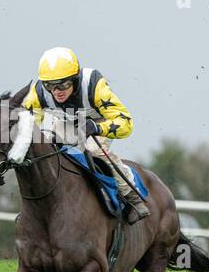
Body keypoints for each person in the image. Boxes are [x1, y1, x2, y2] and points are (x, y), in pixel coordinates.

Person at [21, 46, 149, 222]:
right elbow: (27, 125)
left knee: (93, 149)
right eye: (50, 85)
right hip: (66, 124)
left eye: (63, 84)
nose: (56, 91)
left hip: (97, 124)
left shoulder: (94, 84)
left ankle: (131, 196)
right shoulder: (38, 92)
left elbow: (126, 123)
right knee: (43, 144)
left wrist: (98, 129)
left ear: (75, 78)